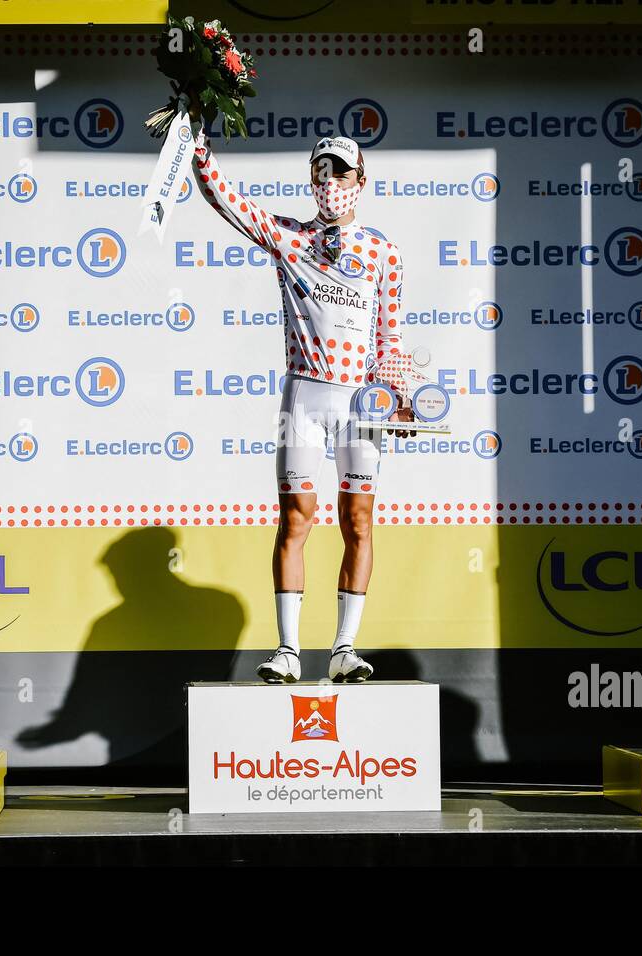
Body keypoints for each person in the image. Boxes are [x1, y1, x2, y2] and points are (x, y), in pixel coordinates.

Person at [187, 104, 415, 684]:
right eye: (321, 174)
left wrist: (400, 392)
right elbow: (223, 198)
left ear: (360, 180)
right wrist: (195, 141)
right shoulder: (289, 238)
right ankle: (288, 650)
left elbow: (389, 334)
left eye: (341, 174)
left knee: (357, 522)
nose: (330, 184)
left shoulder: (383, 252)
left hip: (360, 404)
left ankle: (344, 649)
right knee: (296, 519)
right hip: (304, 400)